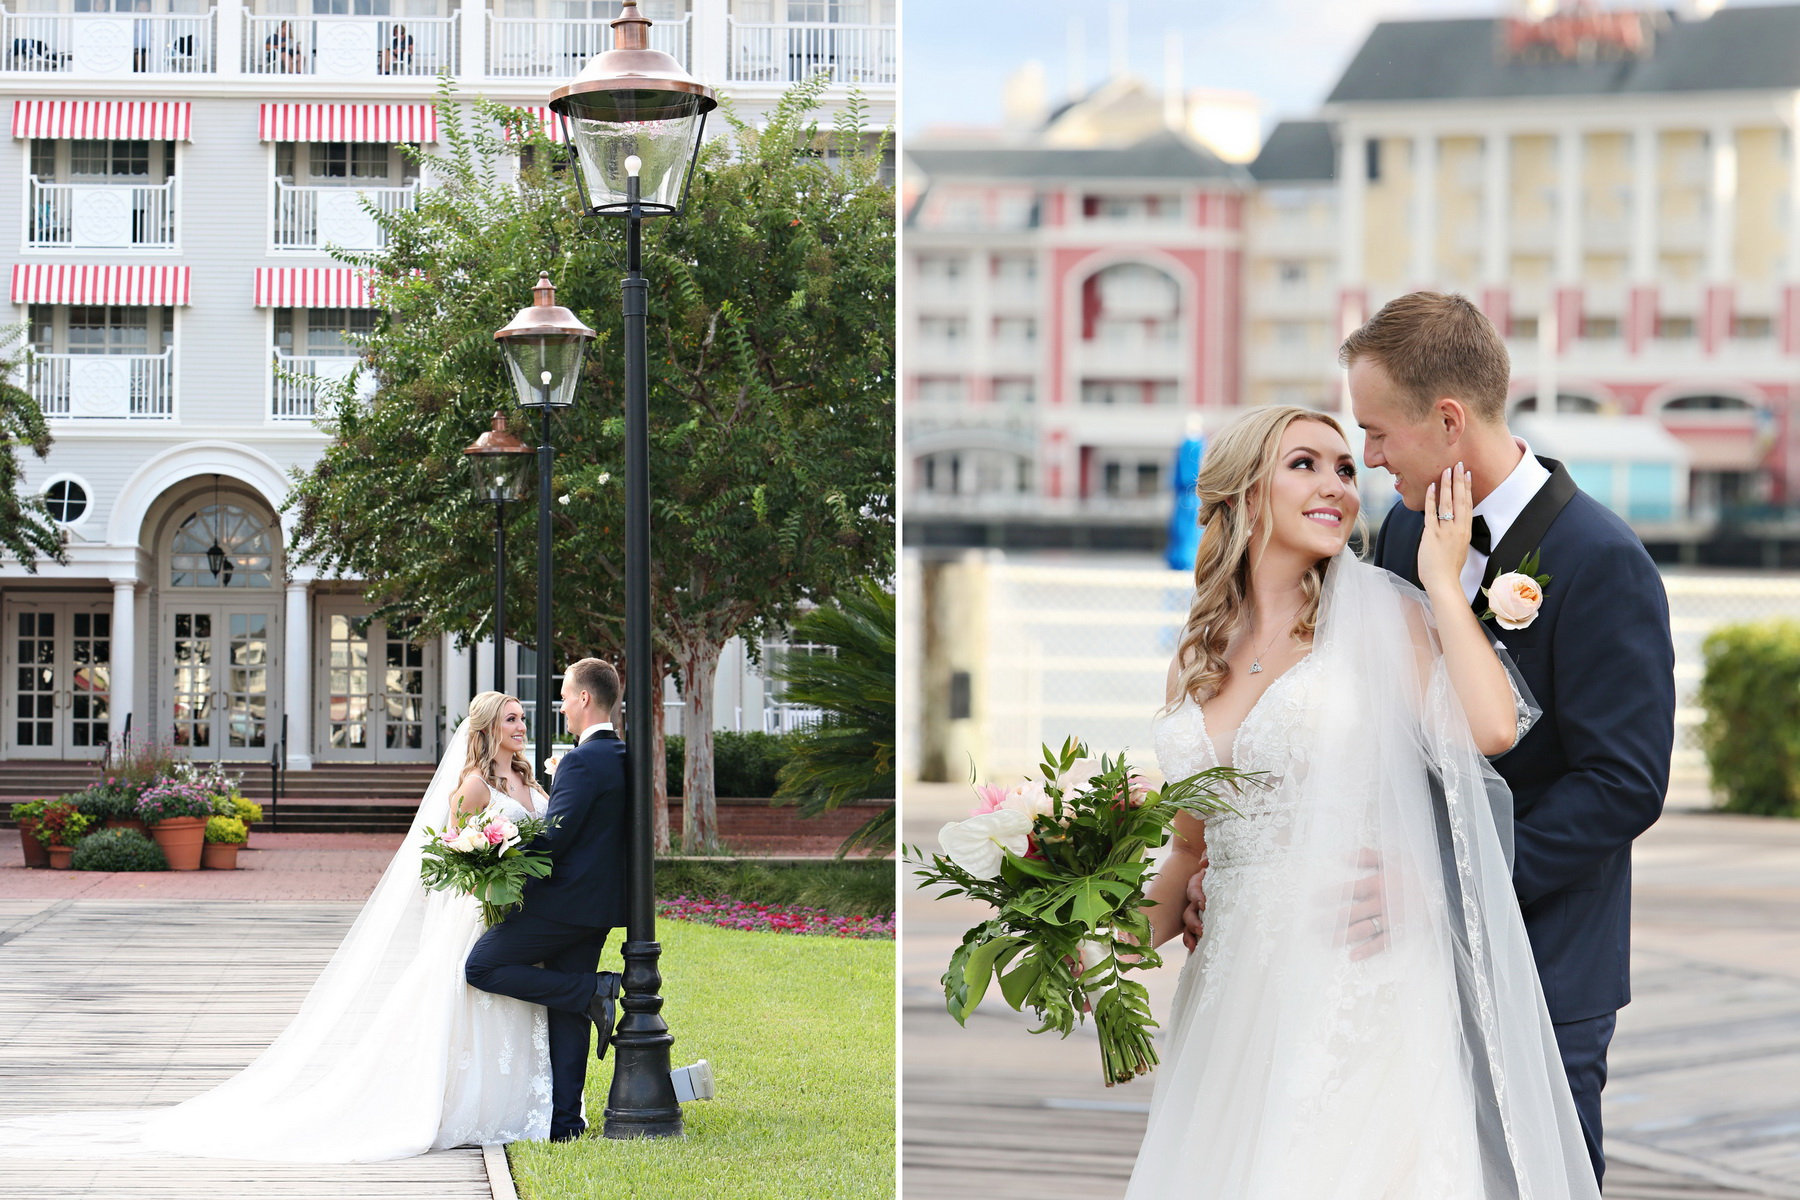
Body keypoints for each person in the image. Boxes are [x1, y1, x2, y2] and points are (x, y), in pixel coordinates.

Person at [1182, 293, 1675, 1187]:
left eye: (1375, 433)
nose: (1365, 460)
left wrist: (1446, 886)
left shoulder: (1603, 559)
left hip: (1541, 956)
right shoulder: (1401, 533)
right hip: (1376, 964)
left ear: (1447, 421)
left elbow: (1623, 783)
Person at [1130, 404, 1599, 1198]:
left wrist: (1443, 584)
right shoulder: (1197, 655)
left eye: (1346, 468)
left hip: (1356, 974)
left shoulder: (1383, 615)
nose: (1337, 485)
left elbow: (1491, 728)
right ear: (1245, 493)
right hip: (1233, 995)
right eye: (1305, 464)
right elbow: (1189, 852)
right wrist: (1079, 933)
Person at [0, 691, 565, 1160]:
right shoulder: (471, 784)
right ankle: (461, 1102)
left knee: (510, 1001)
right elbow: (451, 849)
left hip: (522, 910)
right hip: (476, 911)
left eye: (521, 718)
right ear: (487, 727)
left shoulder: (527, 780)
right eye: (511, 719)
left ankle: (513, 1101)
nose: (520, 726)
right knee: (469, 996)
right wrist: (487, 867)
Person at [465, 657, 629, 1143]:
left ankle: (593, 992)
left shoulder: (580, 760)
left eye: (563, 694)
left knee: (482, 966)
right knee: (567, 1013)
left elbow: (556, 838)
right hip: (598, 908)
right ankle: (566, 1125)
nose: (559, 704)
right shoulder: (621, 755)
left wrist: (500, 854)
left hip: (560, 904)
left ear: (583, 698)